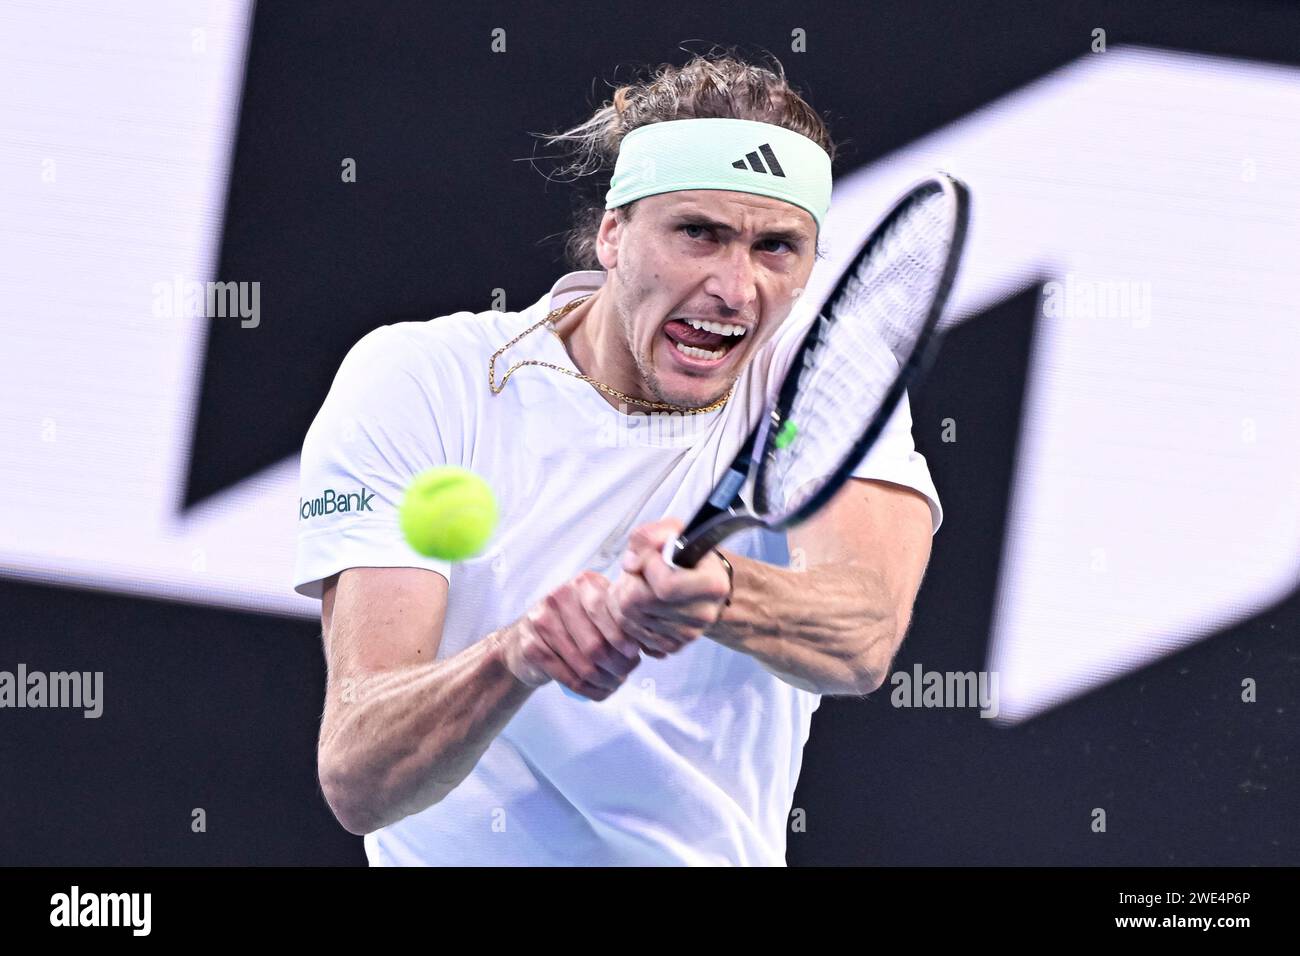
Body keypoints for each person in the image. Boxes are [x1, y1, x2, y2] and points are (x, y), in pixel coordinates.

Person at [293, 53, 942, 866]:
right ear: (612, 233)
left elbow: (863, 638)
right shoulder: (426, 378)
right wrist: (518, 656)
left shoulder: (811, 382)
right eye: (698, 234)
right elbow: (359, 774)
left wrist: (720, 594)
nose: (735, 289)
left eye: (778, 247)